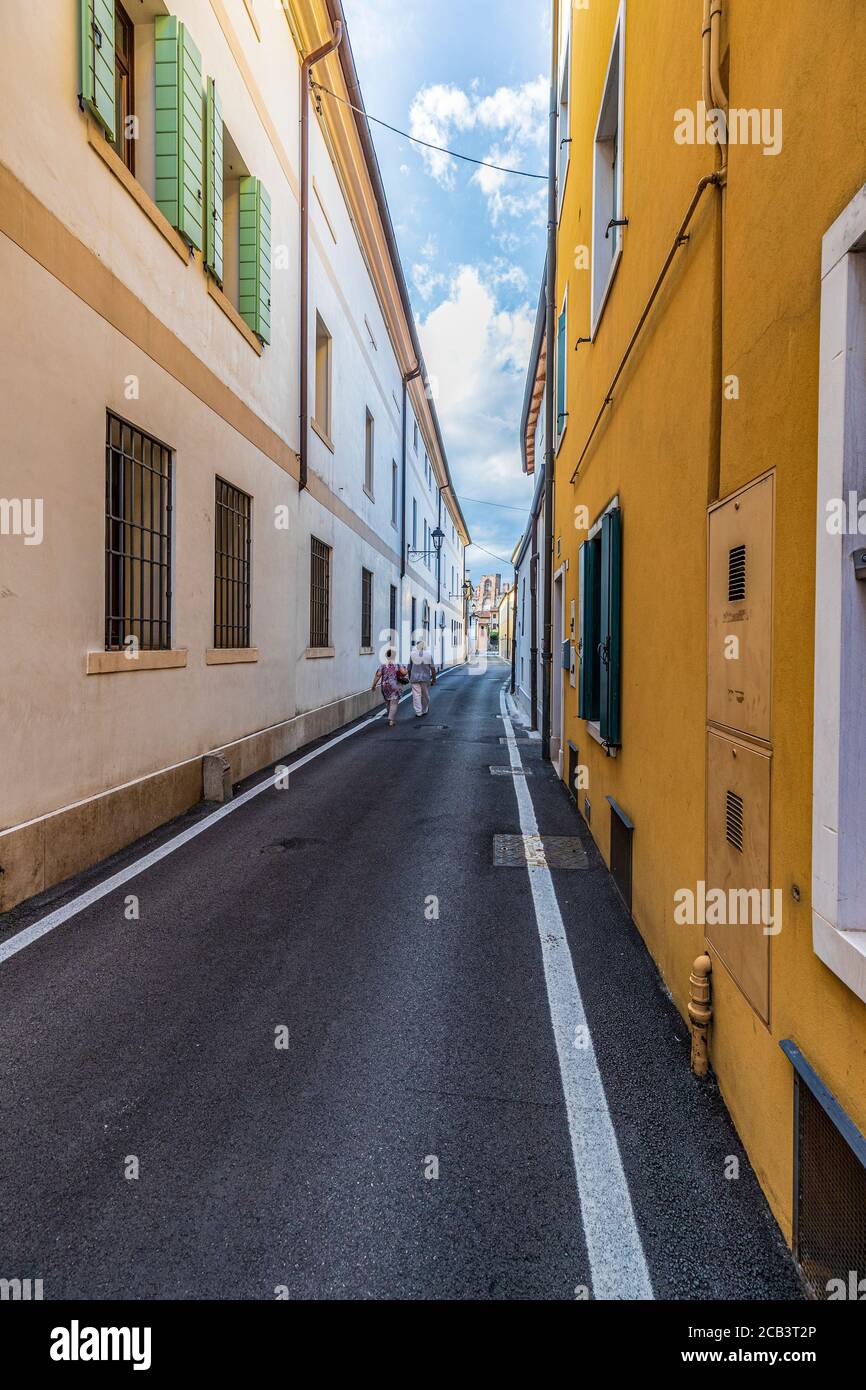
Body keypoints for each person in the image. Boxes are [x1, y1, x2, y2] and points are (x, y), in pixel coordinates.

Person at [371, 648, 404, 726]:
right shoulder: (398, 664)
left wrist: (374, 685)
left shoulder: (383, 665)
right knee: (394, 702)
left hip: (385, 686)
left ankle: (390, 715)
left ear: (387, 656)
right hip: (394, 685)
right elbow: (403, 672)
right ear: (395, 655)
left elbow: (378, 675)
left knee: (388, 702)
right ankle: (391, 720)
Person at [407, 637, 436, 717]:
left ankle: (418, 712)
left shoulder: (412, 654)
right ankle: (424, 709)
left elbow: (409, 668)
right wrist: (434, 679)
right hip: (425, 678)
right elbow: (432, 668)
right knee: (425, 695)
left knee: (416, 695)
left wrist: (410, 677)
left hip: (414, 678)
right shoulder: (429, 655)